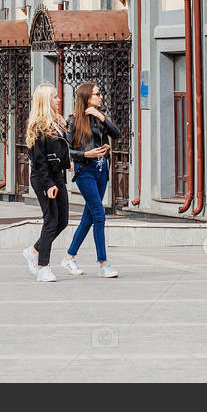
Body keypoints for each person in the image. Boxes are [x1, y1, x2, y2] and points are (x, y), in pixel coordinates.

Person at [63, 81, 121, 279]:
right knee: (99, 214)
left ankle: (69, 257)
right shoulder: (73, 121)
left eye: (100, 93)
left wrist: (101, 117)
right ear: (87, 97)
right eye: (97, 94)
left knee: (89, 216)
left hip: (102, 170)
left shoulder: (99, 118)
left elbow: (117, 133)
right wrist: (86, 155)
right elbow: (66, 151)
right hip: (85, 172)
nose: (101, 96)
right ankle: (103, 263)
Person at [22, 83, 71, 283]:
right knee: (51, 220)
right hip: (44, 179)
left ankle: (34, 251)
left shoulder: (58, 122)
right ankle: (43, 267)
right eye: (55, 97)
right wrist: (49, 184)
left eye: (58, 97)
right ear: (45, 101)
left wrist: (68, 163)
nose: (58, 100)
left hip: (57, 176)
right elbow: (39, 161)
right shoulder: (37, 126)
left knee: (63, 220)